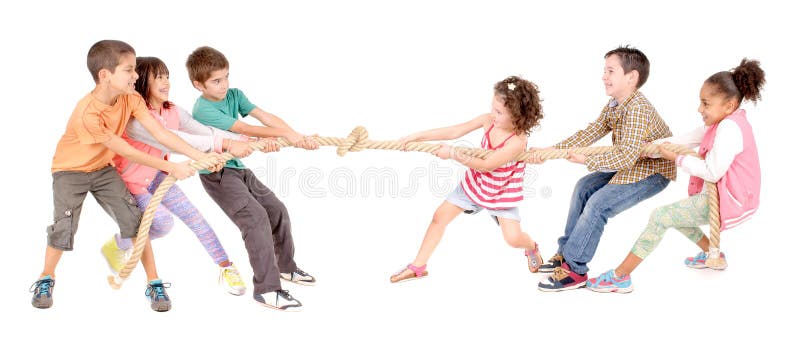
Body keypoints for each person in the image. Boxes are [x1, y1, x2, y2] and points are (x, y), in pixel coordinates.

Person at [29, 40, 222, 312]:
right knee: (64, 228)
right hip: (70, 171)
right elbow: (127, 151)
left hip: (104, 169)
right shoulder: (88, 113)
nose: (136, 76)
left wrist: (198, 156)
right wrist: (171, 167)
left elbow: (160, 134)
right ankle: (46, 277)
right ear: (105, 75)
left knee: (136, 222)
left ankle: (154, 282)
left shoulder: (131, 98)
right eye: (129, 70)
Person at [585, 59, 764, 293]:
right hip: (732, 196)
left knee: (661, 217)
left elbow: (712, 171)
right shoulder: (722, 123)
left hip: (732, 200)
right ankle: (712, 251)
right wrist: (650, 146)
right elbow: (683, 140)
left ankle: (620, 276)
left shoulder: (730, 129)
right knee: (675, 217)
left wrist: (676, 159)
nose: (700, 109)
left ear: (729, 105)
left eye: (705, 103)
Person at [100, 56, 258, 296]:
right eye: (158, 77)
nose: (166, 82)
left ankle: (226, 266)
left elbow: (202, 131)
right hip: (132, 183)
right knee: (163, 224)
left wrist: (244, 141)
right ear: (142, 81)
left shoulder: (172, 110)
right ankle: (121, 243)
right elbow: (177, 140)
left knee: (195, 218)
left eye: (167, 76)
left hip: (157, 175)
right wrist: (221, 145)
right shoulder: (135, 118)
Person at [527, 46, 675, 292]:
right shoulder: (615, 105)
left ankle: (575, 270)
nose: (603, 76)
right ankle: (565, 253)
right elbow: (591, 132)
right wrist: (550, 151)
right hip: (630, 164)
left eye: (610, 71)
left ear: (632, 77)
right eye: (604, 70)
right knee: (584, 187)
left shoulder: (637, 108)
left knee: (598, 205)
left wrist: (587, 160)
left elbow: (627, 156)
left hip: (652, 172)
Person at [186, 46, 318, 311]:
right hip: (217, 173)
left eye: (226, 77)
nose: (224, 85)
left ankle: (286, 267)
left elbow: (263, 116)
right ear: (198, 84)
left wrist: (294, 135)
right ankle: (267, 290)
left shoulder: (235, 95)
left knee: (276, 210)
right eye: (216, 81)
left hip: (238, 167)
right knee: (255, 218)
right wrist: (277, 136)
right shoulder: (202, 110)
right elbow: (245, 128)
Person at [390, 76, 545, 283]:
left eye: (499, 112)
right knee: (439, 217)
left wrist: (452, 154)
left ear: (517, 116)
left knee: (513, 239)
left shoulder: (518, 141)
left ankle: (531, 247)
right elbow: (454, 131)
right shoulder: (488, 121)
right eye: (492, 108)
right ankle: (418, 266)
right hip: (475, 184)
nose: (493, 114)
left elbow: (487, 165)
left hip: (501, 193)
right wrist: (417, 136)